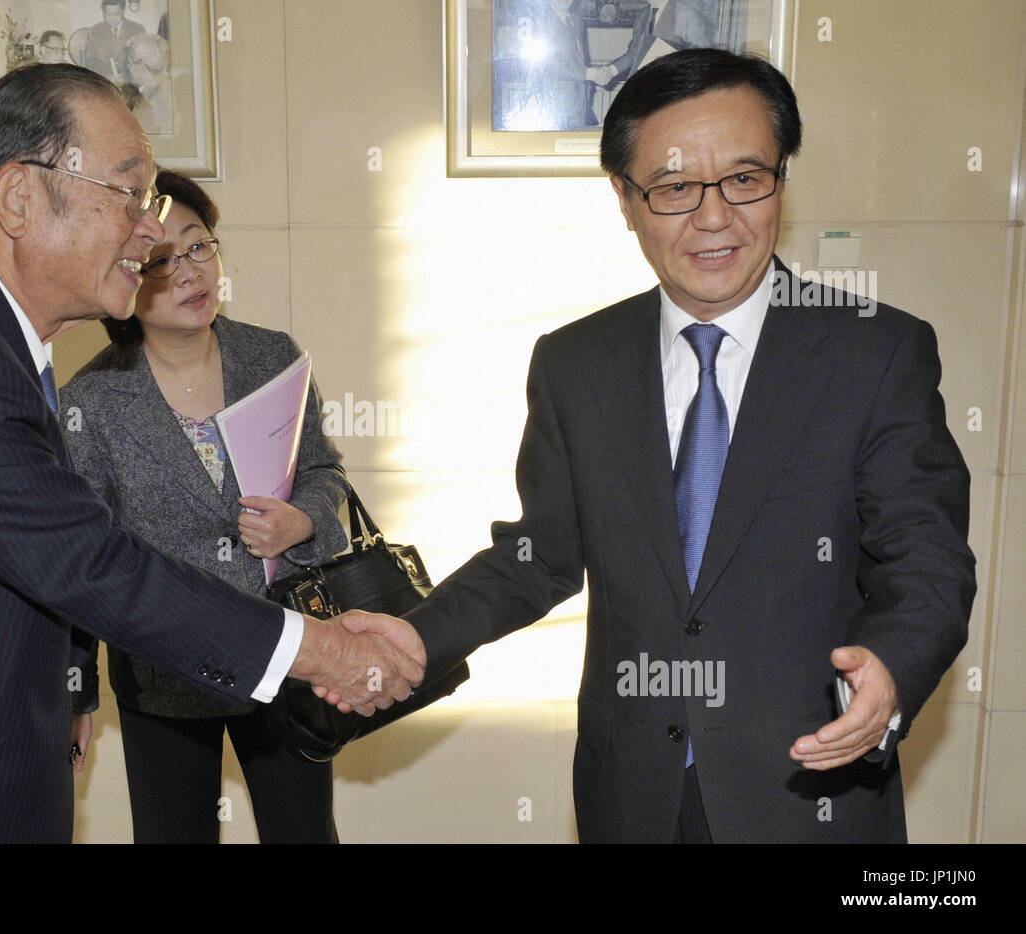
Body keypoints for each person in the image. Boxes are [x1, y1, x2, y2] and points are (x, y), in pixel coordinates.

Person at [0, 63, 423, 843]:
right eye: (130, 193)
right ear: (21, 197)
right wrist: (322, 651)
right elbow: (88, 562)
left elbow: (27, 557)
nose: (152, 228)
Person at [377, 48, 976, 842]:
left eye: (744, 178)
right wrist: (418, 634)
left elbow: (926, 558)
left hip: (809, 789)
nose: (715, 216)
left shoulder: (875, 352)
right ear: (625, 200)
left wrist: (892, 670)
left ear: (781, 180)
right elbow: (541, 555)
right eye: (673, 188)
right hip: (633, 792)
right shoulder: (575, 363)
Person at [60, 171, 348, 843]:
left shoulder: (271, 355)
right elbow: (78, 560)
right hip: (163, 670)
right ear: (125, 280)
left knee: (305, 835)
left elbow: (324, 470)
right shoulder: (91, 403)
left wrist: (303, 519)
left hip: (282, 654)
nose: (191, 273)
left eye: (199, 247)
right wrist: (74, 686)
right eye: (162, 262)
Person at [82, 0, 144, 83]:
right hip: (104, 82)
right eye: (108, 14)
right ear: (103, 12)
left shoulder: (138, 30)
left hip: (131, 83)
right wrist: (107, 75)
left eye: (116, 14)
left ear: (123, 10)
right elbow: (91, 61)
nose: (112, 18)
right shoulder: (95, 31)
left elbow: (142, 61)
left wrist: (126, 77)